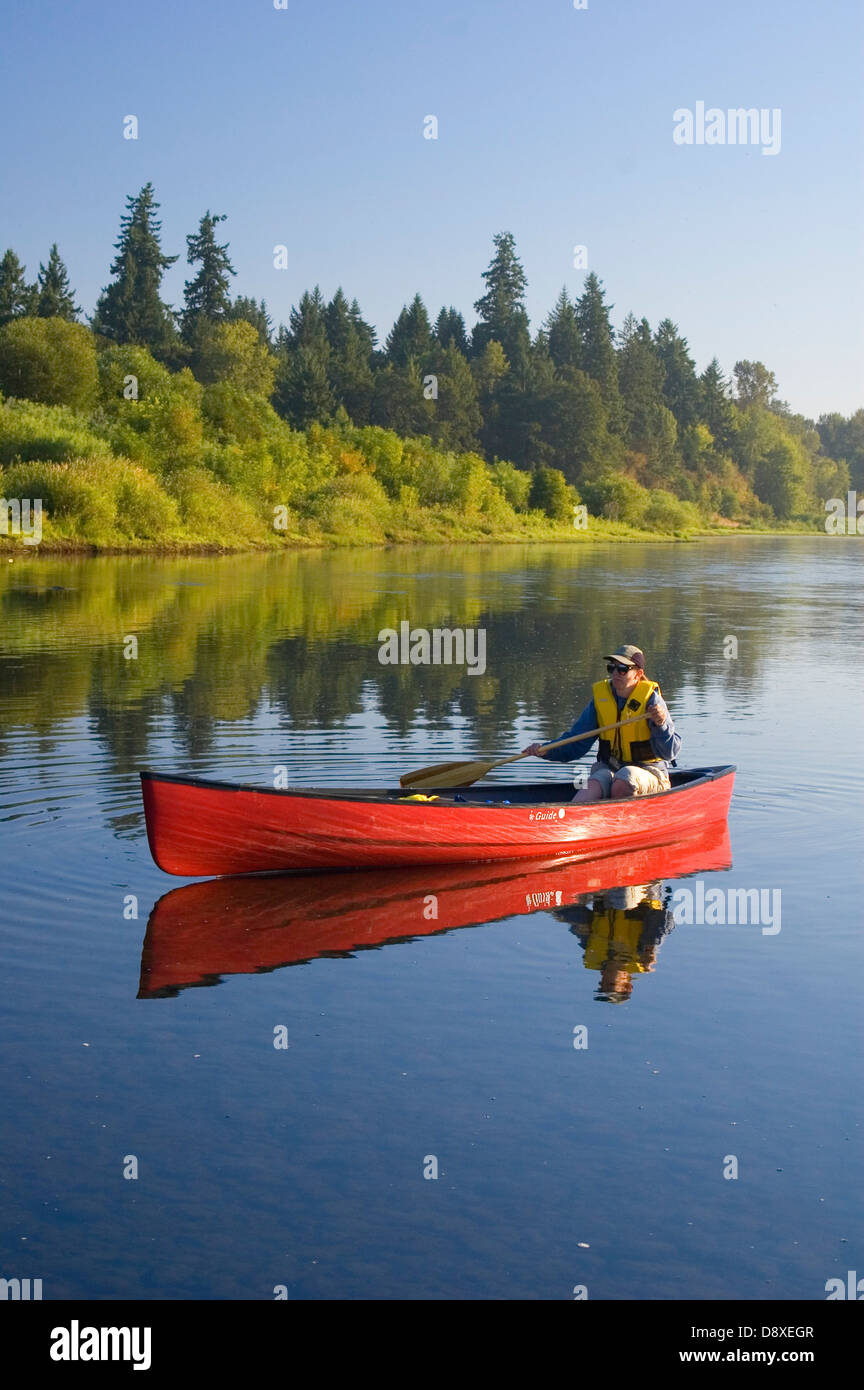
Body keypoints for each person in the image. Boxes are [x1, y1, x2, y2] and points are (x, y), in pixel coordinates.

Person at [523, 644, 681, 801]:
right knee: (592, 785)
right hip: (611, 771)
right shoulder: (601, 701)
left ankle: (620, 823)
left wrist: (660, 725)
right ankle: (569, 821)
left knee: (624, 779)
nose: (615, 673)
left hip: (650, 774)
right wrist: (546, 750)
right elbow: (576, 743)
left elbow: (670, 753)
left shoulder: (652, 701)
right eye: (611, 668)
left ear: (638, 674)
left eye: (622, 669)